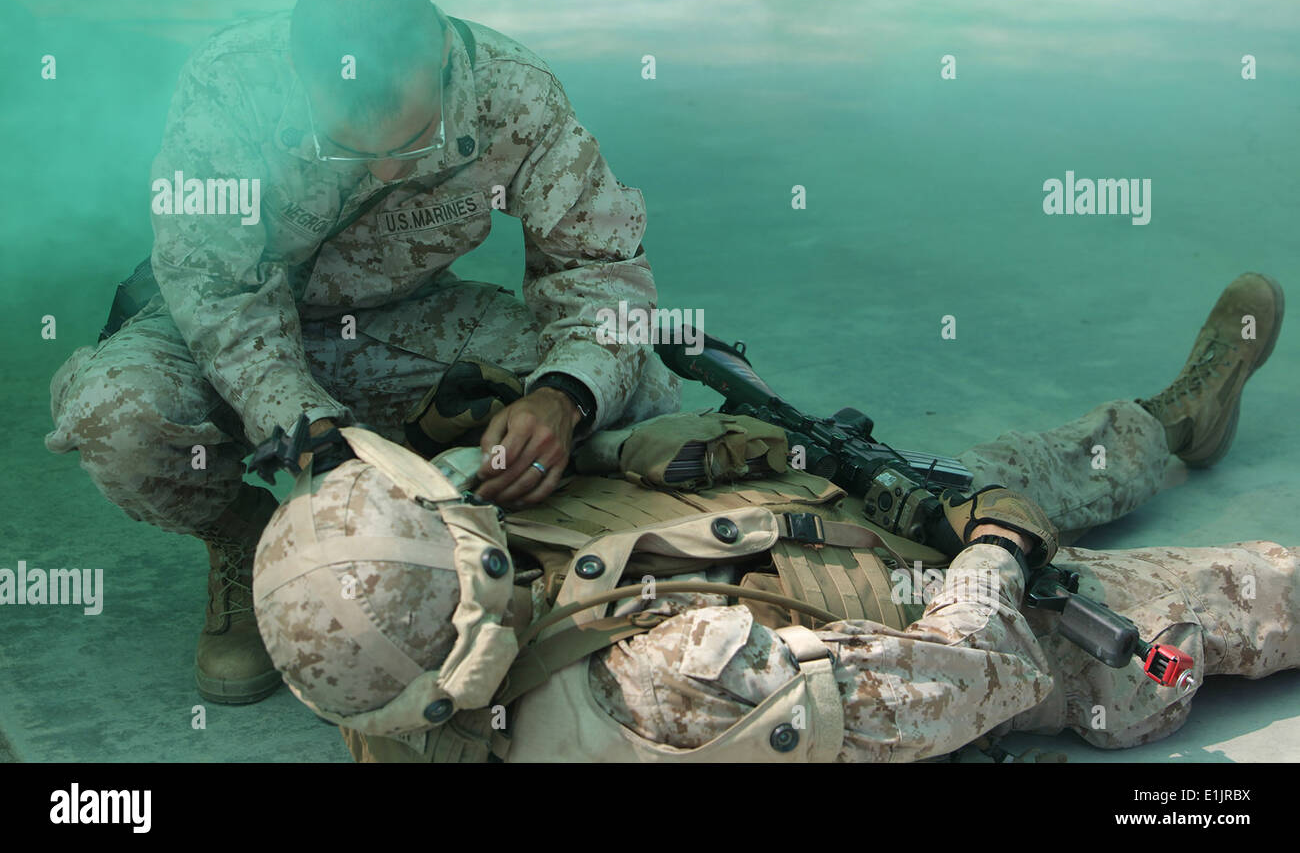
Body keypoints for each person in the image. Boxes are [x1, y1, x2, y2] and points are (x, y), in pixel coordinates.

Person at [252, 273, 1297, 762]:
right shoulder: (669, 689)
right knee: (1246, 596)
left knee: (1035, 460)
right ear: (469, 586)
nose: (455, 492)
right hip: (960, 615)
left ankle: (1169, 422)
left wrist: (639, 446)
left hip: (814, 516)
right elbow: (957, 681)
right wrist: (993, 550)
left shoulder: (364, 612)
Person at [43, 0, 681, 705]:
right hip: (232, 331)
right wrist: (310, 431)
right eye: (350, 149)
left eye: (411, 143)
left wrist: (562, 399)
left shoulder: (515, 93)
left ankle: (515, 536)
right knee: (113, 415)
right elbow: (219, 292)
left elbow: (600, 272)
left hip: (404, 322)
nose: (383, 169)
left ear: (444, 49)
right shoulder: (229, 88)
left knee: (642, 391)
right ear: (297, 75)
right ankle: (251, 544)